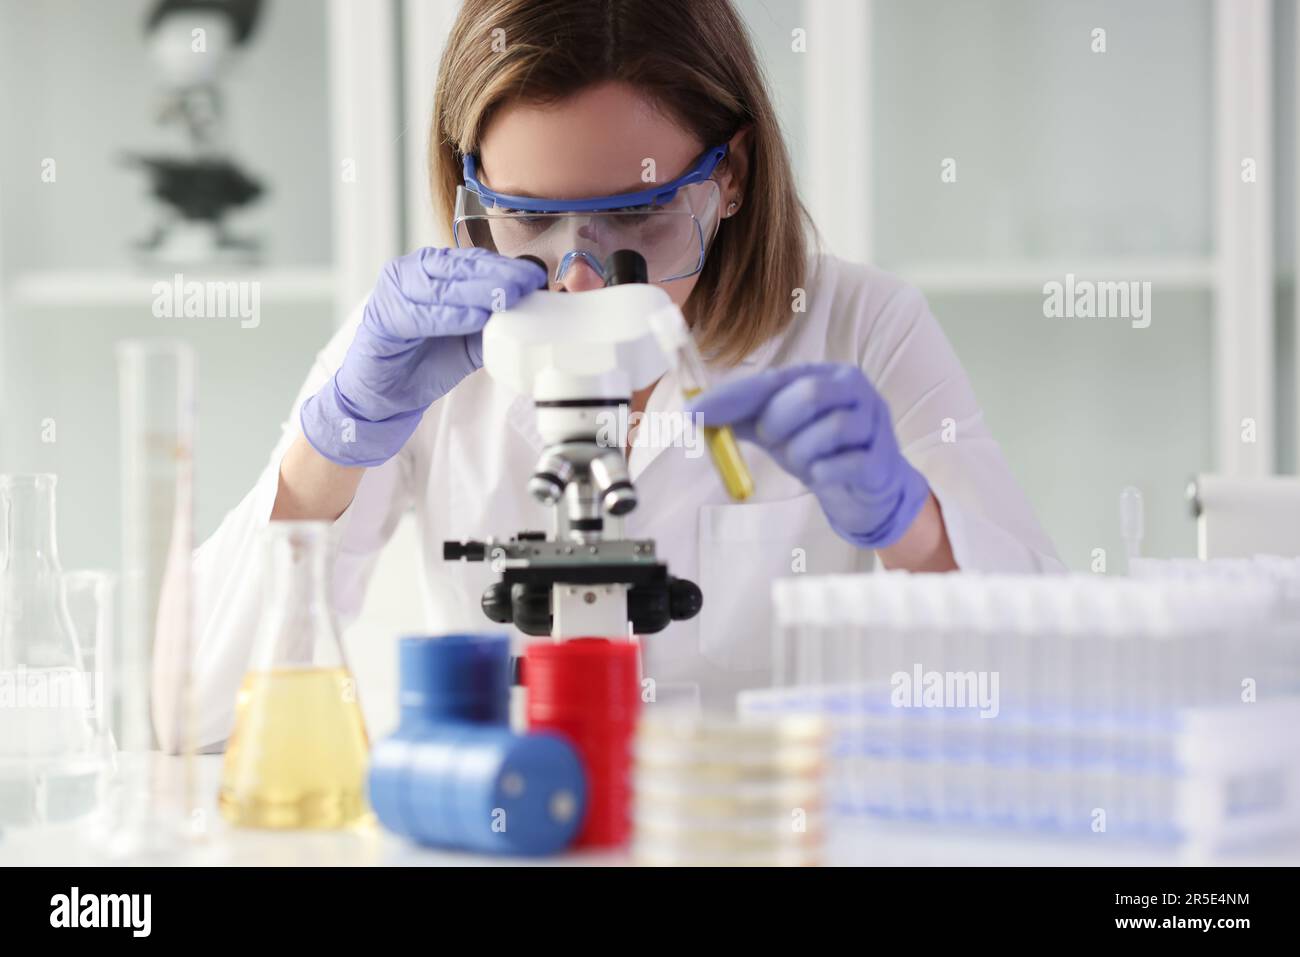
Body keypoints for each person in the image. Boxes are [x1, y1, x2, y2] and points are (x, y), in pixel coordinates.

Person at [190, 0, 1060, 746]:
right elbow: (195, 711)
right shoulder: (417, 347)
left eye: (639, 216)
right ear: (473, 186)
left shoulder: (862, 329)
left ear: (732, 178)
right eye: (527, 220)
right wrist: (327, 447)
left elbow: (1053, 696)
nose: (577, 279)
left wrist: (918, 534)